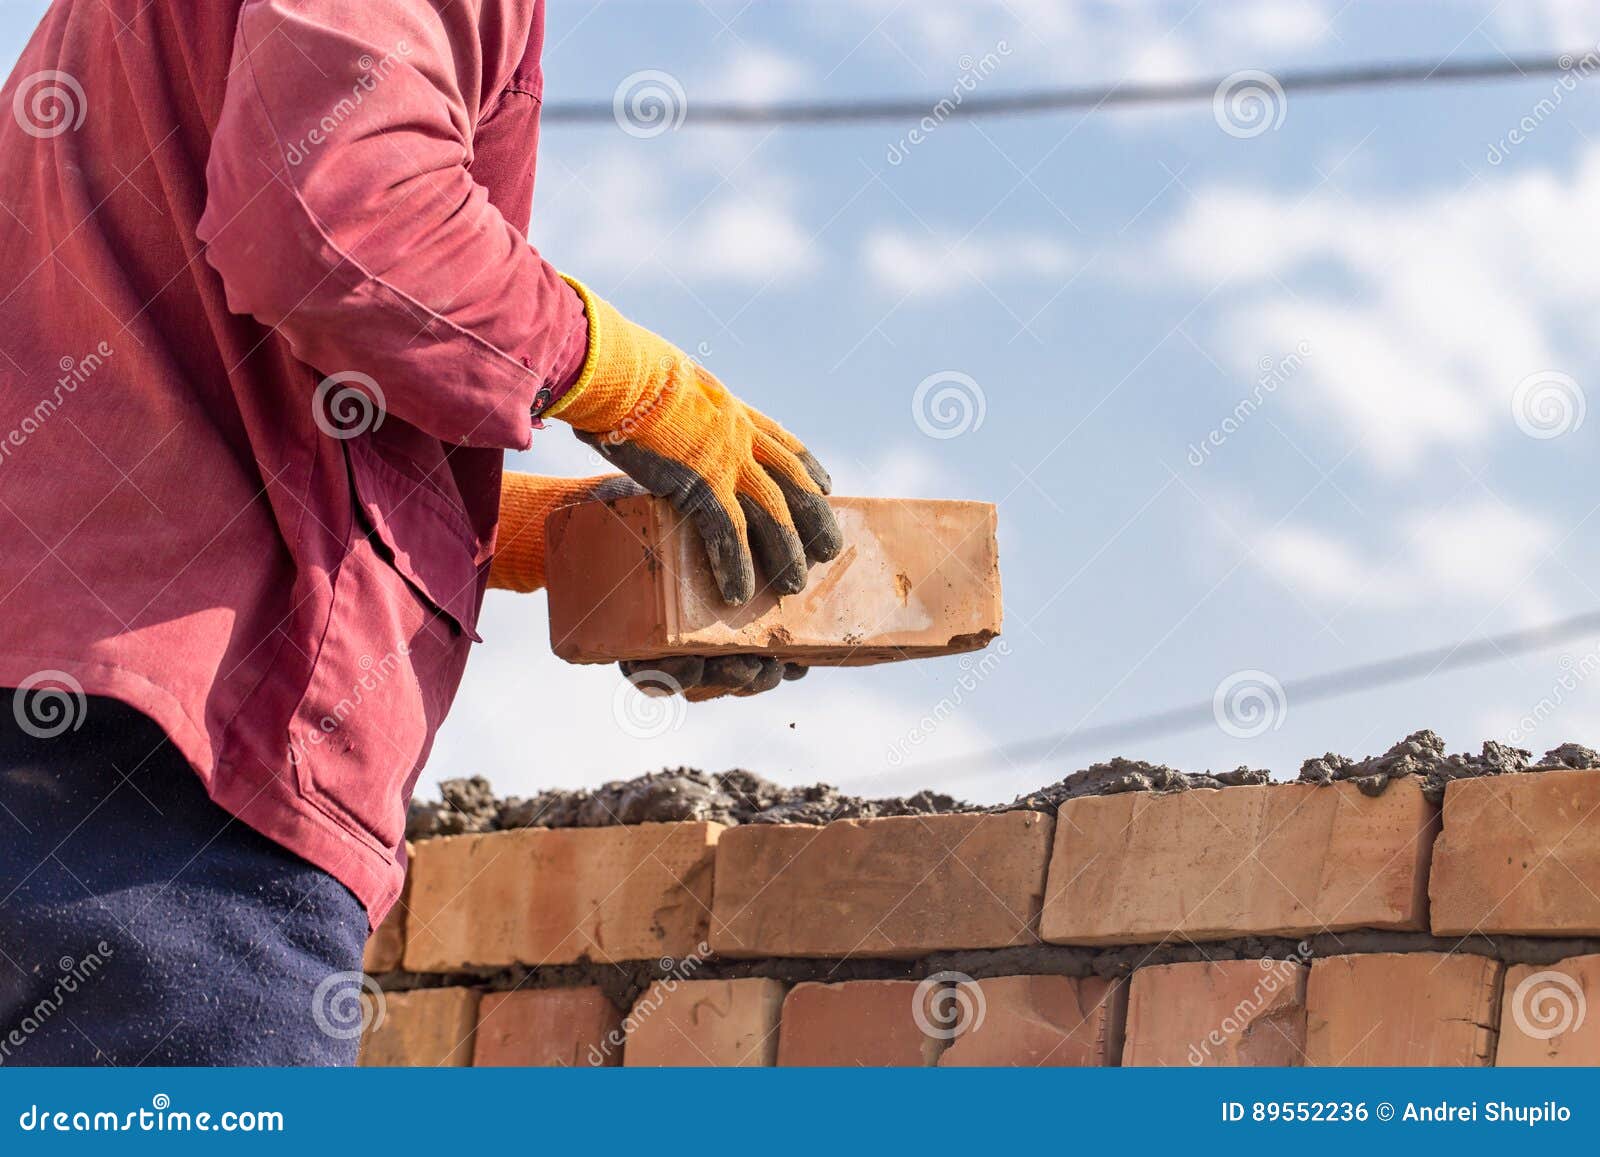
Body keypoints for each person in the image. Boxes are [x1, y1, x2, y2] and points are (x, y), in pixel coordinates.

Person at [0, 0, 839, 1065]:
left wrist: (533, 539)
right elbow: (339, 225)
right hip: (174, 782)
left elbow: (161, 371)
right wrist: (629, 380)